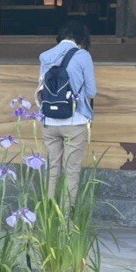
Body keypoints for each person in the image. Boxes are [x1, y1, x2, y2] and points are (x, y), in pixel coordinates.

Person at [38, 20, 97, 205]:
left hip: (49, 119)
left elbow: (41, 88)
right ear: (82, 38)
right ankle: (66, 220)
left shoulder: (45, 56)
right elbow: (91, 91)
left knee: (52, 168)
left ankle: (48, 216)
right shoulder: (83, 55)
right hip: (74, 120)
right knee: (71, 170)